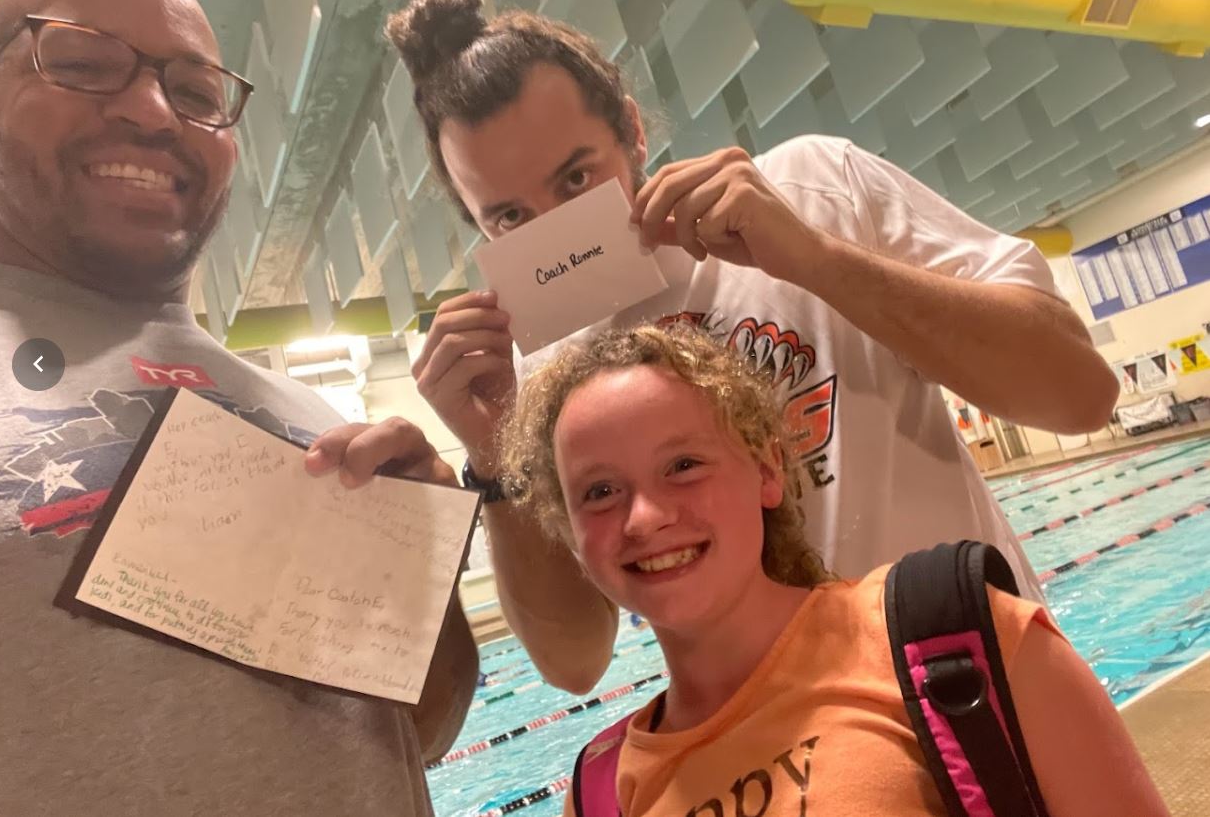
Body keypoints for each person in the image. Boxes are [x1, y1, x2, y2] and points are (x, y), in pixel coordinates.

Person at [384, 0, 1120, 692]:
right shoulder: (538, 366)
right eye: (511, 218)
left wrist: (815, 259)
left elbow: (1083, 396)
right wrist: (492, 456)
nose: (560, 232)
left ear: (633, 130)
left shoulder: (809, 189)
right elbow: (576, 663)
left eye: (577, 180)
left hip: (982, 694)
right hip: (787, 749)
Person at [0, 0, 475, 815]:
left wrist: (423, 582)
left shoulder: (312, 415)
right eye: (82, 63)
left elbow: (418, 735)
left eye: (195, 92)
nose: (151, 112)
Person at [498, 323, 1167, 817]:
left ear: (766, 469)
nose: (644, 518)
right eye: (600, 492)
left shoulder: (962, 641)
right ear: (570, 533)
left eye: (683, 465)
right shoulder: (602, 791)